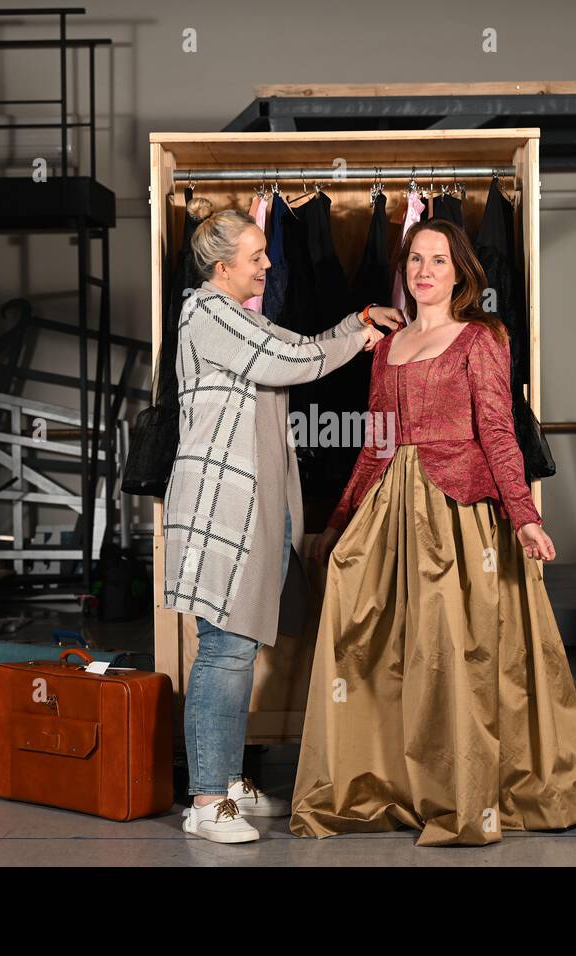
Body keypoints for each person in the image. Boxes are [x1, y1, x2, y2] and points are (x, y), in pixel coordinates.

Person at [290, 219, 576, 847]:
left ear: (460, 273)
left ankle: (466, 794)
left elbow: (500, 434)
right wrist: (339, 522)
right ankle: (390, 785)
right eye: (415, 260)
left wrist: (526, 517)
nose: (424, 270)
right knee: (379, 648)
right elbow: (375, 446)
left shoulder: (480, 339)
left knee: (454, 657)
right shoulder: (388, 344)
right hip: (390, 513)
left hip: (456, 517)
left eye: (438, 260)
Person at [163, 207, 403, 843]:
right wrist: (358, 333)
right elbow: (291, 361)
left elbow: (292, 350)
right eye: (255, 256)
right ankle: (207, 797)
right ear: (222, 267)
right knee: (224, 648)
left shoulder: (238, 315)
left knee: (236, 645)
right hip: (222, 508)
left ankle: (223, 777)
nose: (267, 264)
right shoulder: (204, 312)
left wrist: (356, 325)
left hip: (253, 507)